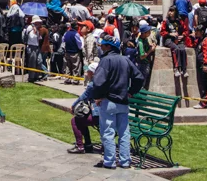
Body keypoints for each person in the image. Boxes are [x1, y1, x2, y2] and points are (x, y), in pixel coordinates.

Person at [91, 35, 144, 170]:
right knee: (124, 132)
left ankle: (109, 161)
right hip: (123, 102)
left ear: (108, 47)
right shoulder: (125, 60)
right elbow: (139, 77)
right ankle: (125, 161)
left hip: (108, 102)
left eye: (103, 45)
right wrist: (131, 91)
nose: (101, 47)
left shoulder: (105, 61)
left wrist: (98, 96)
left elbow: (98, 82)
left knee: (108, 132)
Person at [67, 62, 101, 154]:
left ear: (93, 73)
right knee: (81, 119)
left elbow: (83, 97)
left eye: (88, 71)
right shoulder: (102, 82)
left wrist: (73, 106)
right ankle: (88, 145)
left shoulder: (93, 85)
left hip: (98, 116)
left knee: (75, 120)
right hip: (104, 114)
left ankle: (80, 146)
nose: (86, 73)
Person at [135, 23, 156, 90]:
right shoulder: (140, 42)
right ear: (144, 33)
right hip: (142, 64)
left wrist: (151, 45)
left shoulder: (145, 39)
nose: (150, 33)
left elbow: (147, 46)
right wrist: (150, 50)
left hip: (144, 63)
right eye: (148, 32)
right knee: (141, 83)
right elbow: (142, 56)